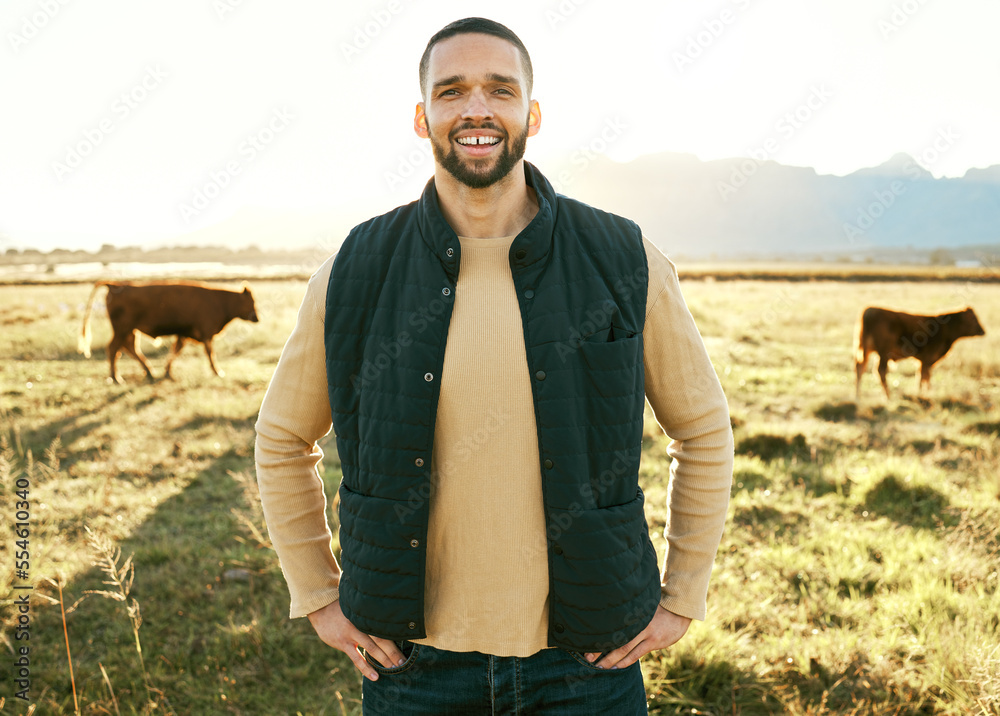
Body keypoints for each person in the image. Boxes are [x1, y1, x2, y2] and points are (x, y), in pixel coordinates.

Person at [254, 17, 733, 715]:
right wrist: (320, 596)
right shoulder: (357, 268)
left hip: (587, 668)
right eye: (451, 91)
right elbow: (281, 437)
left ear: (531, 115)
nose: (476, 109)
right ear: (422, 118)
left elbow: (703, 429)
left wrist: (683, 594)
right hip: (413, 671)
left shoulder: (622, 258)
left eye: (500, 90)